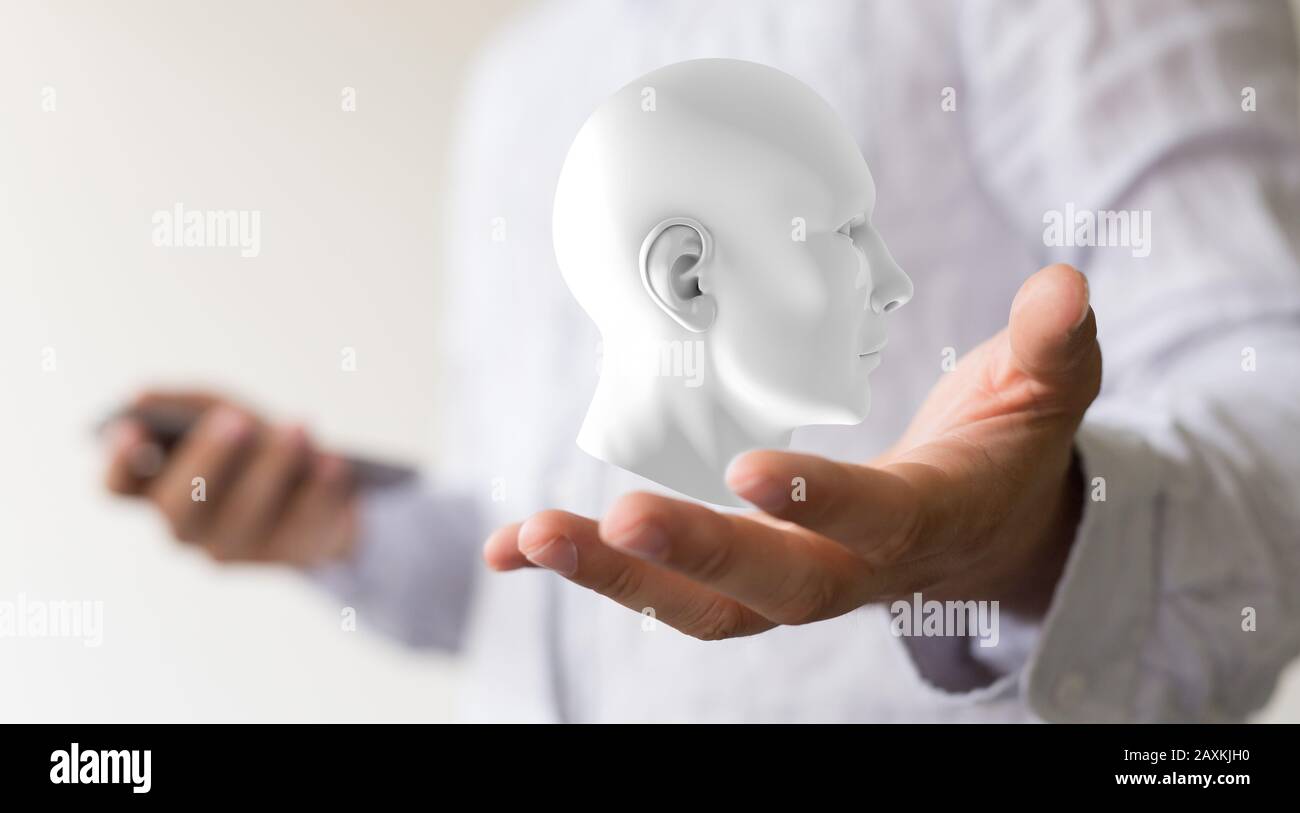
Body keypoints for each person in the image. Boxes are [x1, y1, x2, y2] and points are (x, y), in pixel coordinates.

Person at [103, 0, 1300, 722]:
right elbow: (553, 580)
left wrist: (1032, 548)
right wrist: (335, 532)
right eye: (845, 243)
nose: (885, 282)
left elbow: (1274, 387)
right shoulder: (518, 79)